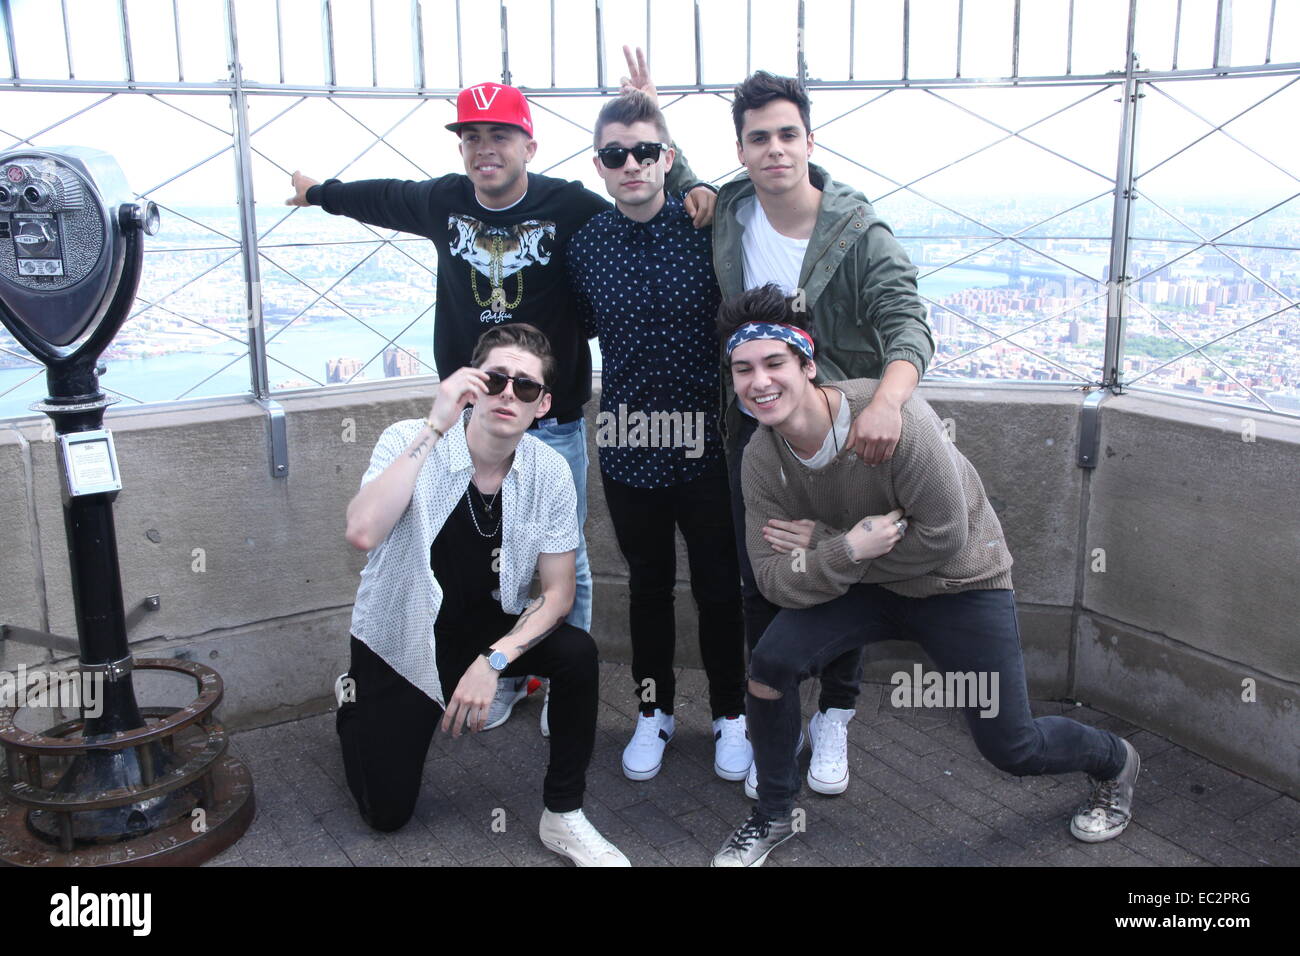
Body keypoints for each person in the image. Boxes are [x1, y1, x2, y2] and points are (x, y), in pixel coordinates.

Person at [287, 59, 717, 729]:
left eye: (501, 136)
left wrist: (690, 181)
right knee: (477, 556)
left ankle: (561, 680)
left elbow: (641, 195)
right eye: (472, 137)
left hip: (552, 420)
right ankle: (506, 672)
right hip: (471, 421)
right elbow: (380, 196)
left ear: (530, 146)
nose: (486, 150)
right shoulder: (443, 200)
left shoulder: (570, 205)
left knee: (558, 554)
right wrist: (319, 193)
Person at [709, 286, 1140, 867]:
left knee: (1012, 747)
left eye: (774, 363)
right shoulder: (761, 458)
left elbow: (944, 538)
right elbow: (772, 579)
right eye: (743, 369)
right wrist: (850, 548)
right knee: (770, 664)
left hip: (956, 584)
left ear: (809, 366)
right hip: (864, 579)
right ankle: (773, 814)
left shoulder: (895, 422)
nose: (759, 382)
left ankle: (1115, 760)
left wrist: (831, 550)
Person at [711, 71, 938, 801]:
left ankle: (836, 715)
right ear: (741, 151)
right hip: (754, 435)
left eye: (787, 134)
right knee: (760, 581)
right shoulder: (731, 208)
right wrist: (657, 129)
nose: (774, 150)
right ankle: (772, 720)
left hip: (840, 436)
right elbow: (673, 173)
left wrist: (888, 404)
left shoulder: (858, 231)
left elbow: (908, 321)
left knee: (839, 576)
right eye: (758, 138)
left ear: (810, 140)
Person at [337, 323, 629, 866]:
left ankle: (563, 815)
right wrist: (435, 423)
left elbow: (559, 594)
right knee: (387, 814)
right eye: (495, 380)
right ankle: (353, 697)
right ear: (471, 386)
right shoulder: (410, 439)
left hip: (488, 632)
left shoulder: (550, 471)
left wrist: (495, 661)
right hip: (403, 634)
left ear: (542, 406)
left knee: (577, 653)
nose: (507, 395)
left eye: (524, 388)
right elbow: (361, 533)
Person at [568, 92, 748, 783]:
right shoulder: (587, 246)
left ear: (667, 159)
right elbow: (573, 327)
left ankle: (730, 714)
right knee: (646, 587)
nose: (632, 164)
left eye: (646, 151)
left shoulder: (708, 227)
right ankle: (654, 711)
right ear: (600, 166)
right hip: (627, 440)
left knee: (718, 588)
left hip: (706, 442)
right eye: (617, 155)